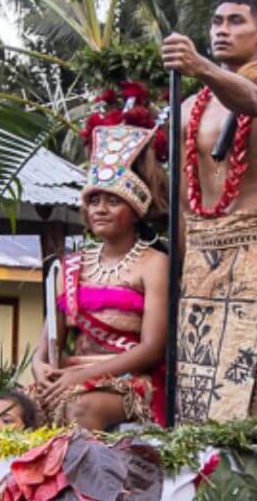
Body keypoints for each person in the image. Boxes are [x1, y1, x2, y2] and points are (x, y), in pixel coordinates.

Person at [160, 0, 257, 423]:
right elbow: (179, 192)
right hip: (200, 253)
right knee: (196, 384)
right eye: (216, 22)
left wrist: (201, 68)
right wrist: (181, 256)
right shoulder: (189, 107)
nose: (221, 30)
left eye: (235, 21)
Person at [30, 120, 171, 429]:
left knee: (79, 408)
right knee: (9, 412)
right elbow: (44, 347)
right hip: (67, 378)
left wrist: (80, 377)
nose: (100, 209)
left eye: (113, 201)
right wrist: (40, 370)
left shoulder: (154, 263)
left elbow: (152, 349)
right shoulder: (70, 265)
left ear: (135, 210)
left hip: (126, 383)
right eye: (94, 201)